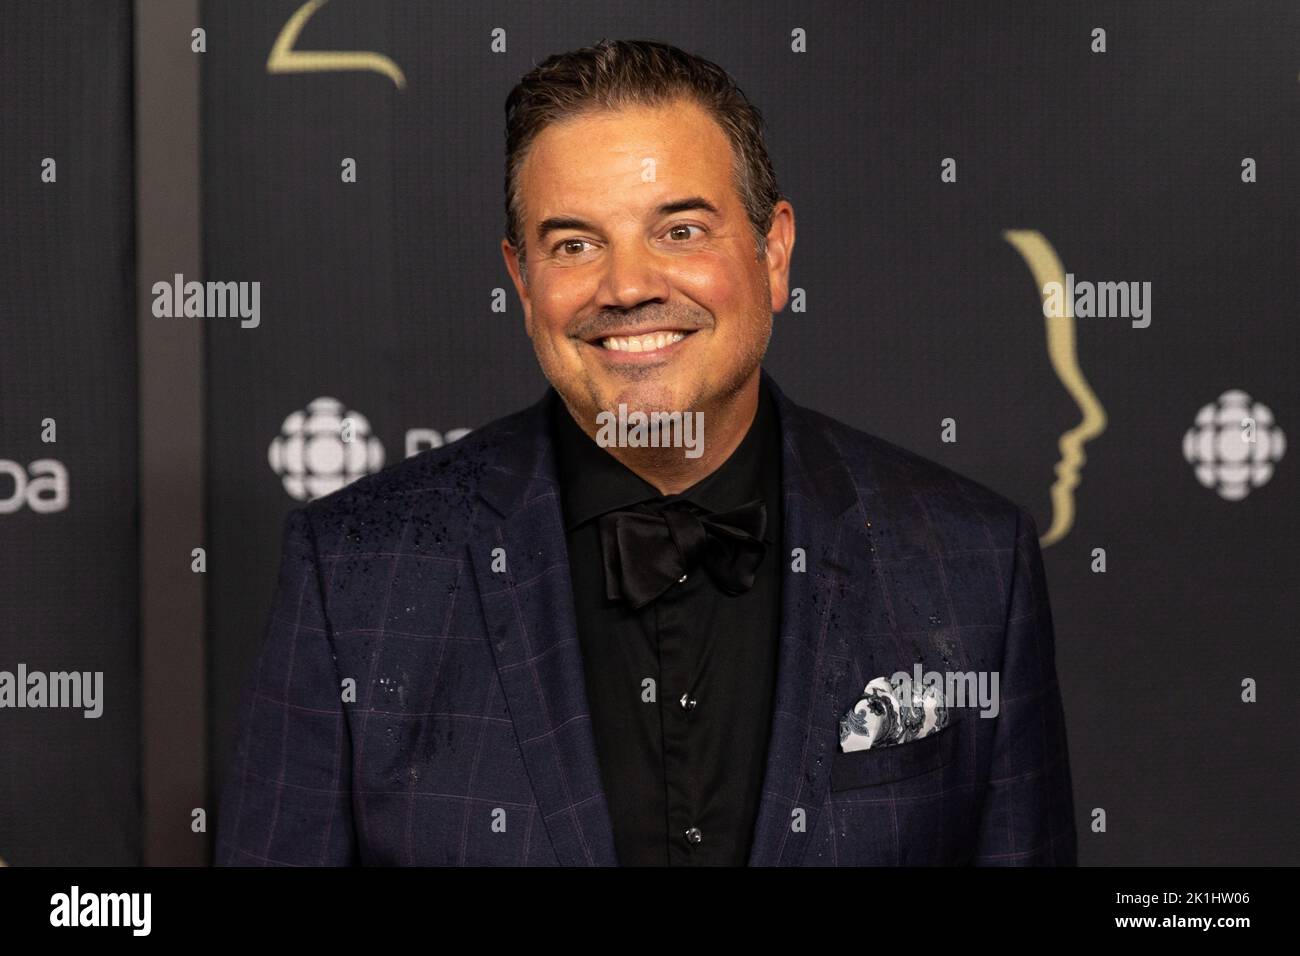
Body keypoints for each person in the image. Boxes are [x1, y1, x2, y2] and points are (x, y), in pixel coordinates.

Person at [215, 38, 1076, 866]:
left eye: (681, 231)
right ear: (522, 281)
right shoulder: (358, 573)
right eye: (575, 245)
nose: (627, 287)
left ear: (773, 254)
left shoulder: (967, 562)